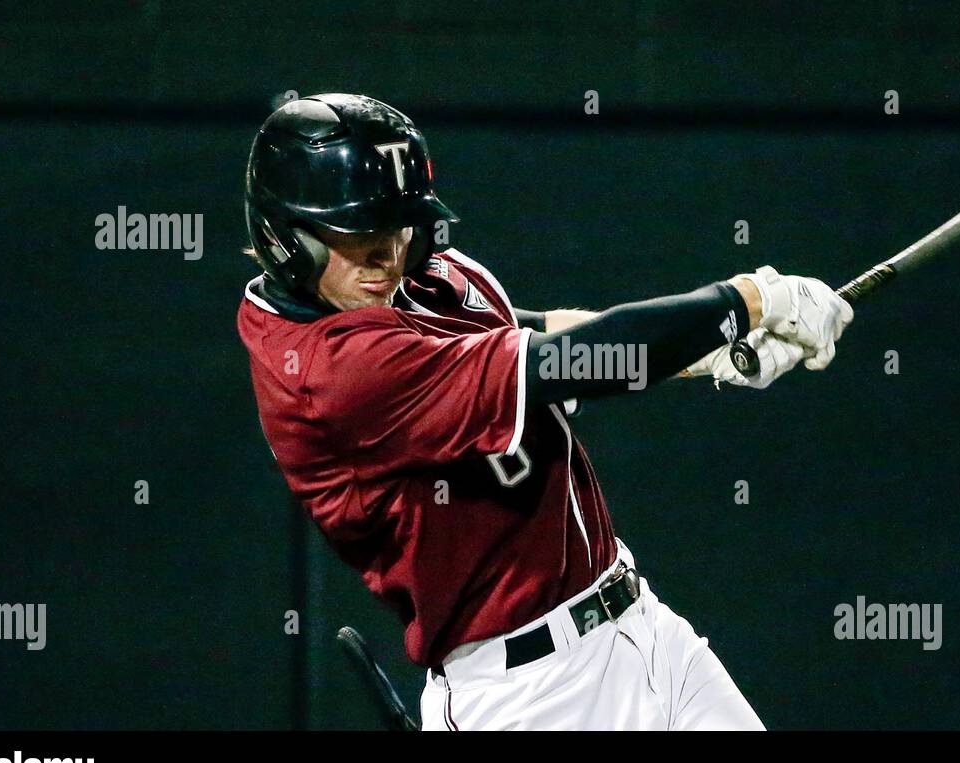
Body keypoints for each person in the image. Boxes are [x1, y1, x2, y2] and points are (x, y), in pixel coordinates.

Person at [237, 93, 852, 730]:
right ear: (285, 236)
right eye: (359, 230)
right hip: (532, 694)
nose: (388, 251)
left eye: (398, 224)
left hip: (642, 626)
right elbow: (557, 367)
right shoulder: (330, 372)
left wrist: (711, 353)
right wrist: (744, 301)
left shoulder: (410, 279)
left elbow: (543, 336)